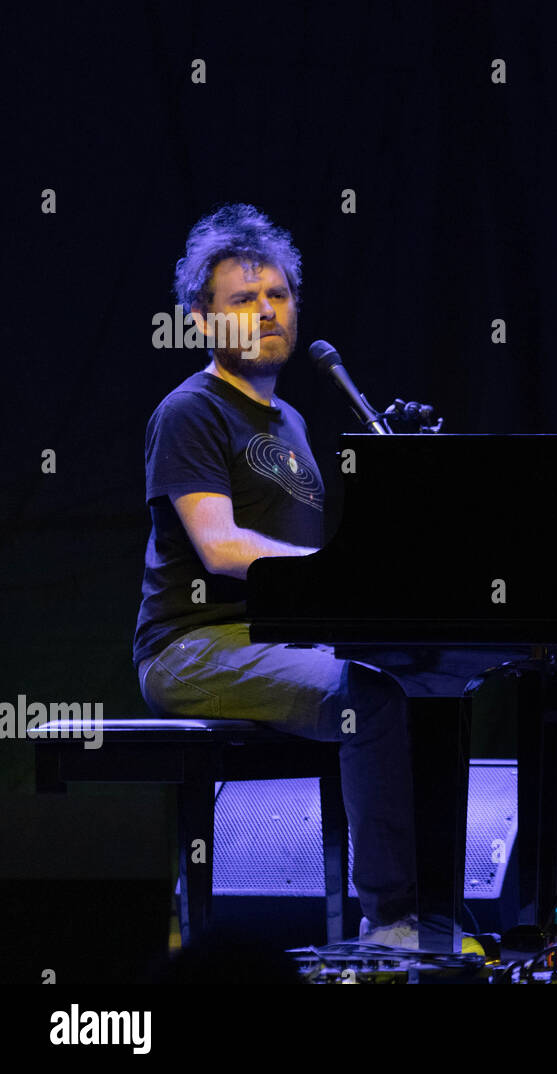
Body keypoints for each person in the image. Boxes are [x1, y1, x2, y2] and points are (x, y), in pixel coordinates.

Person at [132, 203, 419, 946]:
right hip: (194, 646)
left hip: (277, 640)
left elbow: (306, 570)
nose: (265, 311)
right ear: (202, 321)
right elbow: (223, 548)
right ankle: (393, 922)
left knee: (427, 679)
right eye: (241, 300)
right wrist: (341, 568)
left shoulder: (288, 421)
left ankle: (446, 911)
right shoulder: (190, 411)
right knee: (369, 695)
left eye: (278, 296)